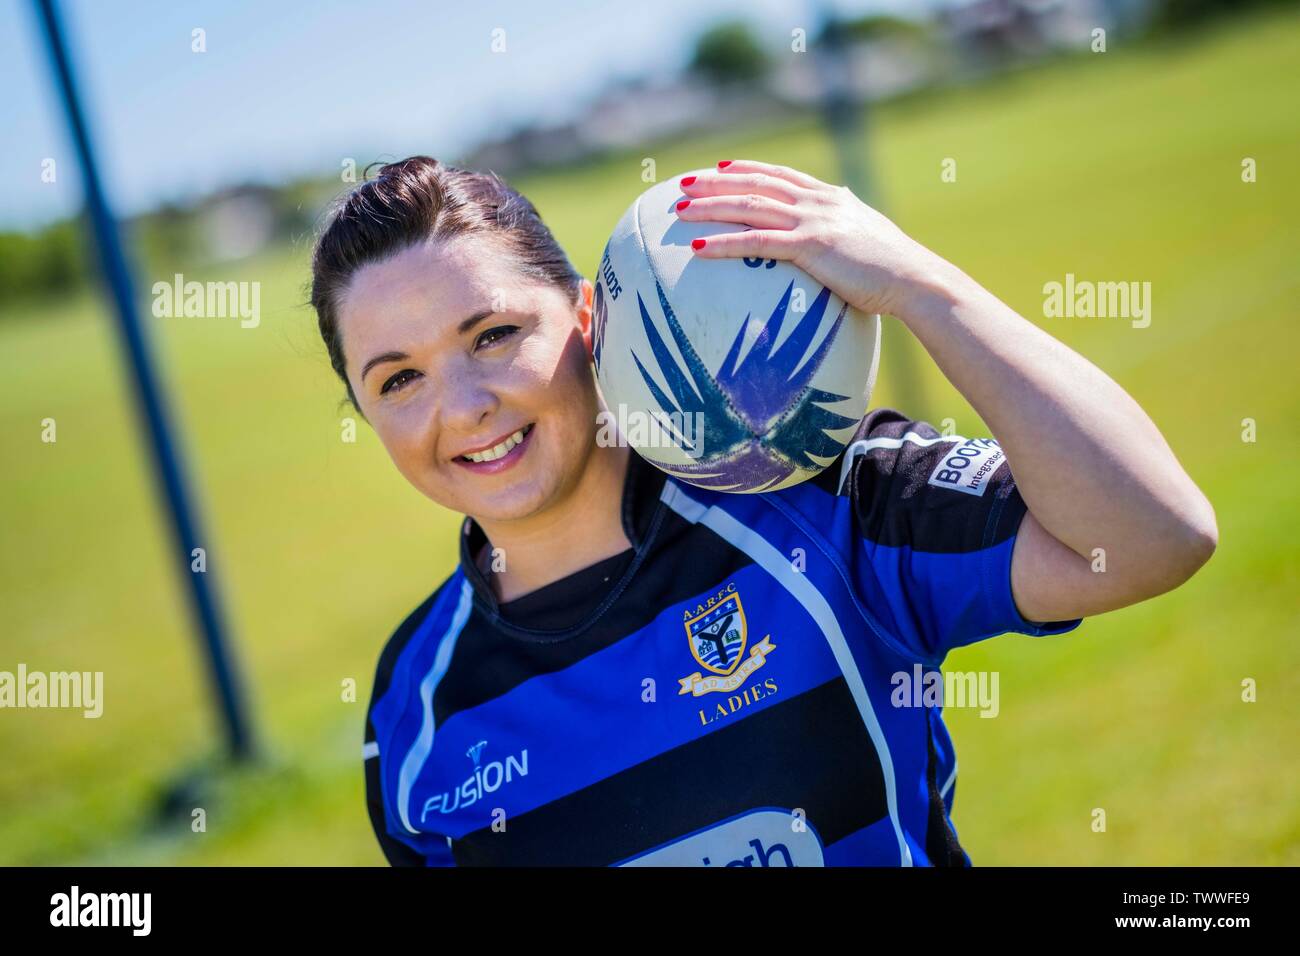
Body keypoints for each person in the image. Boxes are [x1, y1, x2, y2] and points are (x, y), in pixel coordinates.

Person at [310, 156, 1216, 866]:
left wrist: (921, 288)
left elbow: (1153, 536)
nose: (464, 406)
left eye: (494, 334)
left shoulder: (818, 505)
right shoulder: (415, 705)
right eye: (399, 379)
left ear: (590, 321)